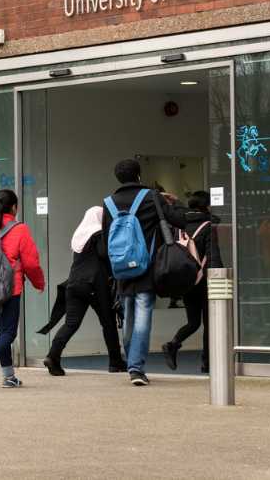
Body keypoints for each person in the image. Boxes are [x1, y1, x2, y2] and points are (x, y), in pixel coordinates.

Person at [101, 159, 187, 386]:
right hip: (145, 268)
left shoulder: (108, 203)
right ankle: (136, 368)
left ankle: (132, 362)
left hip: (121, 269)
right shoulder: (152, 197)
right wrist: (174, 203)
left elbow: (104, 241)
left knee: (128, 317)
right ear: (138, 176)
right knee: (142, 317)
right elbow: (178, 220)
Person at [0, 189, 45, 391]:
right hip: (10, 289)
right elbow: (31, 262)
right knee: (9, 332)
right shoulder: (20, 229)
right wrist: (39, 283)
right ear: (14, 208)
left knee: (2, 331)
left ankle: (9, 376)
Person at [37, 206, 124, 375]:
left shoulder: (79, 235)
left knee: (71, 324)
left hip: (74, 284)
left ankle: (52, 356)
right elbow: (104, 254)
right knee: (108, 322)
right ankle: (115, 362)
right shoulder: (98, 234)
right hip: (94, 285)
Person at [162, 191, 224, 373]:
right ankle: (207, 362)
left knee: (193, 322)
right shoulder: (209, 225)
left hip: (187, 281)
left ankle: (173, 344)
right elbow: (213, 256)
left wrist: (178, 203)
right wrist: (218, 278)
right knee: (208, 323)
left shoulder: (179, 226)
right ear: (207, 206)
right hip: (204, 281)